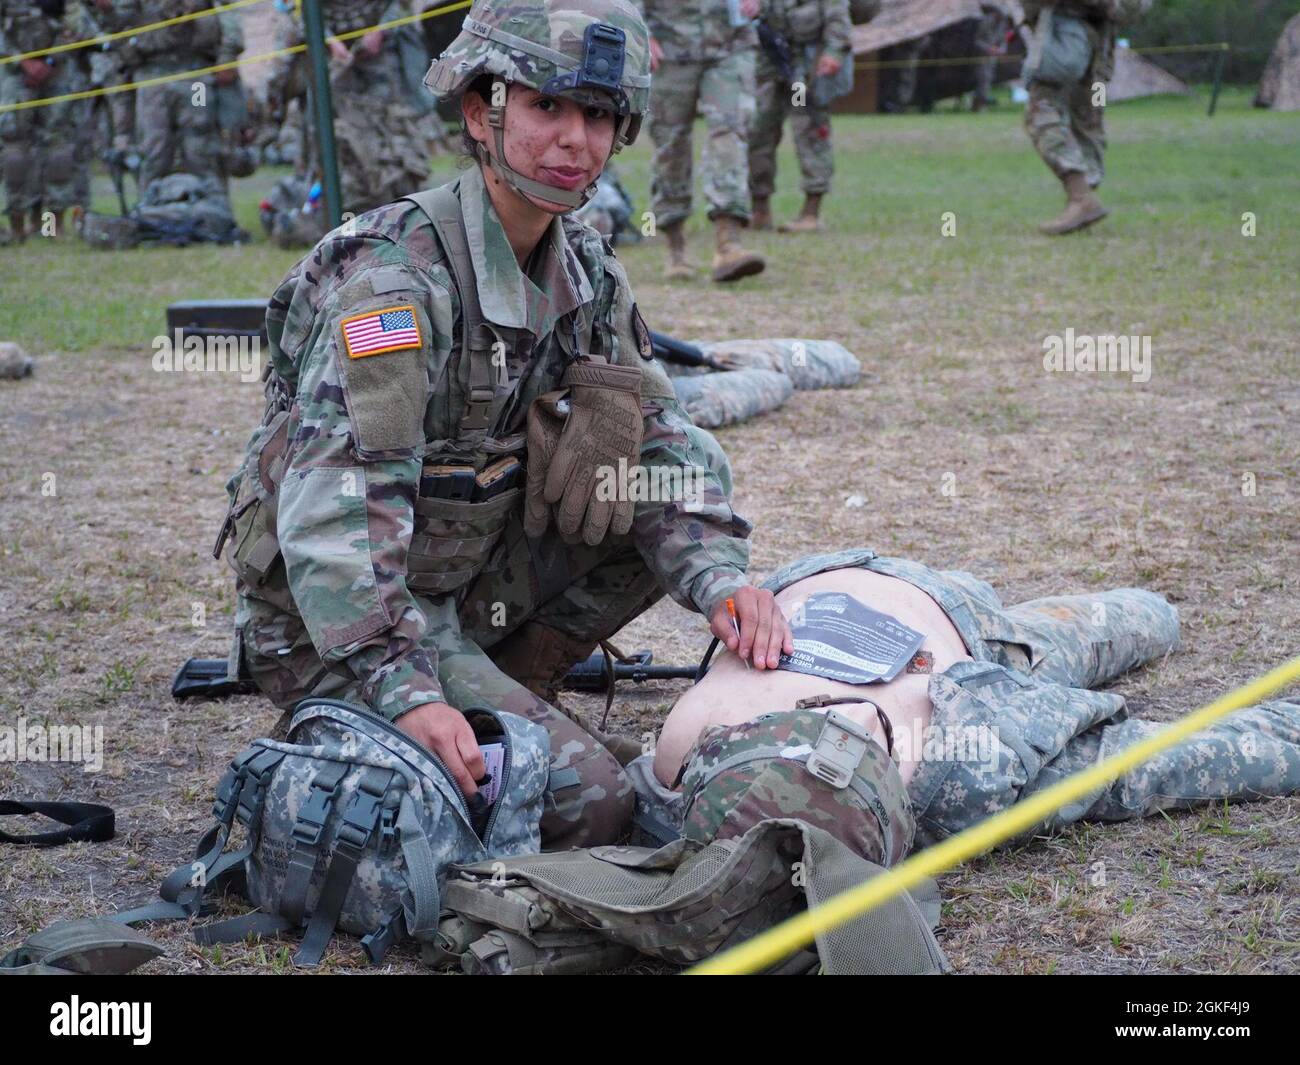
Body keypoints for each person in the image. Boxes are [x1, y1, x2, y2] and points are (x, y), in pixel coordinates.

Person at [217, 0, 792, 853]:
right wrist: (404, 691)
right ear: (481, 114)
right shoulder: (395, 281)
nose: (575, 140)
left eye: (598, 115)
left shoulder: (587, 268)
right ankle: (440, 706)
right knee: (591, 808)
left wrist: (720, 580)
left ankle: (500, 691)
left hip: (455, 585)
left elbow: (663, 438)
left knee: (633, 499)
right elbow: (339, 511)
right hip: (331, 624)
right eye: (546, 107)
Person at [642, 549, 1300, 849]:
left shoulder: (954, 774)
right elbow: (1155, 761)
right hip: (840, 581)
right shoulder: (681, 752)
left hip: (964, 626)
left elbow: (1153, 763)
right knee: (1149, 617)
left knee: (1154, 618)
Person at [638, 0, 766, 283]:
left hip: (730, 44)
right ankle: (676, 248)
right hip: (669, 50)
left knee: (730, 133)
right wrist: (638, 31)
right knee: (670, 144)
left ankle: (728, 244)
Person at [749, 0, 853, 234]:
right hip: (768, 62)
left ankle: (811, 213)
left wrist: (834, 51)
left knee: (808, 129)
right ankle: (759, 209)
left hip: (803, 68)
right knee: (758, 130)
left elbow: (838, 17)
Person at [117, 0, 245, 189]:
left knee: (201, 143)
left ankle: (212, 207)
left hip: (196, 78)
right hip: (153, 77)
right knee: (154, 147)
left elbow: (229, 12)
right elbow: (120, 19)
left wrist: (227, 55)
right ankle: (151, 209)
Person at [0, 0, 95, 240]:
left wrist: (50, 61)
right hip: (13, 74)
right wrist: (22, 61)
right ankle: (18, 225)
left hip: (57, 72)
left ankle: (51, 226)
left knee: (58, 149)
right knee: (15, 150)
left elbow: (77, 25)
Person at [1021, 0, 1117, 234]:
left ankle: (1081, 197)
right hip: (1102, 47)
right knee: (1090, 120)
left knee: (1041, 111)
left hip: (1066, 42)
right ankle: (1085, 204)